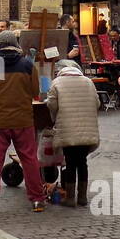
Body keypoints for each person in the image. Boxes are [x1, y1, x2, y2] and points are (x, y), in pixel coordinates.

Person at [0, 30, 46, 215]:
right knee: (29, 159)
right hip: (23, 119)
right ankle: (37, 199)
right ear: (16, 44)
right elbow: (35, 91)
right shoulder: (27, 65)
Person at [47, 59, 99, 207]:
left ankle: (70, 198)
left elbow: (51, 104)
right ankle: (82, 197)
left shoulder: (57, 83)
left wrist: (55, 117)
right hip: (87, 129)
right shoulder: (88, 82)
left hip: (67, 129)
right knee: (82, 162)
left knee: (69, 162)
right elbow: (97, 103)